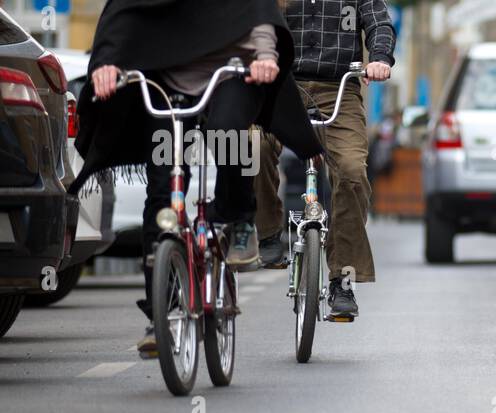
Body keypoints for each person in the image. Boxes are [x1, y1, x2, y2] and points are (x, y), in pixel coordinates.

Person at [70, 0, 323, 356]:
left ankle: (238, 219)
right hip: (170, 80)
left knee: (228, 132)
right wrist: (106, 64)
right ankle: (163, 311)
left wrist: (266, 56)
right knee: (161, 193)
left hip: (233, 73)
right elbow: (122, 14)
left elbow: (259, 13)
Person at [255, 0, 395, 321]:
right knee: (254, 146)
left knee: (352, 171)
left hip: (339, 88)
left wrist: (379, 59)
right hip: (281, 84)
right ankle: (267, 233)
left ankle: (343, 279)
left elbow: (380, 24)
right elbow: (253, 20)